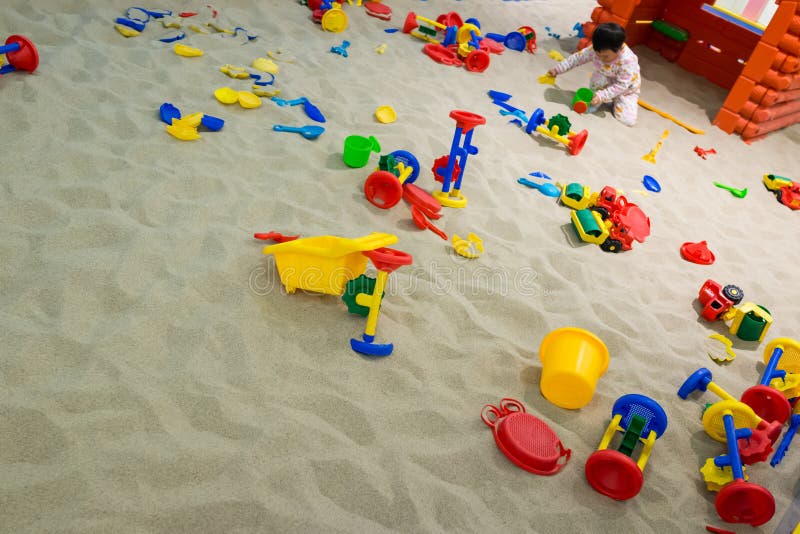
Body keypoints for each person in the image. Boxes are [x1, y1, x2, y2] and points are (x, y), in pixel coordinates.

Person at [547, 22, 641, 126]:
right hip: (604, 79)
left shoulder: (628, 60)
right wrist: (558, 69)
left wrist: (603, 95)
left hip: (626, 90)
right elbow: (577, 58)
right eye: (598, 54)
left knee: (627, 121)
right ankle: (595, 99)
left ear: (619, 49)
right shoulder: (597, 49)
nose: (601, 58)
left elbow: (622, 85)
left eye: (605, 57)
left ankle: (612, 100)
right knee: (598, 77)